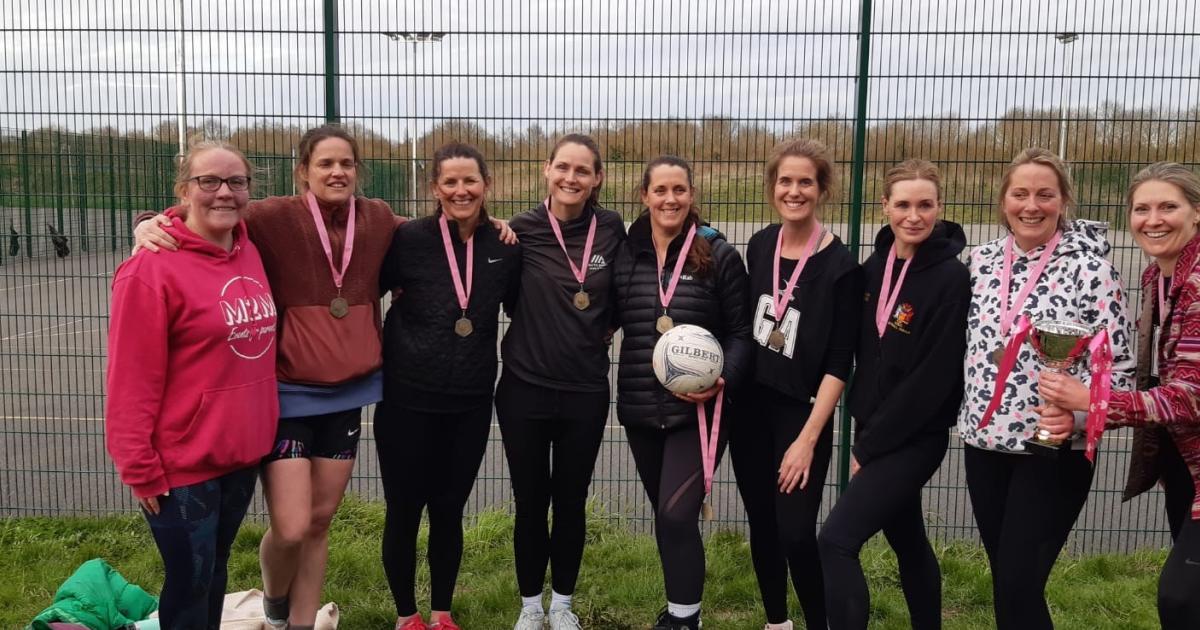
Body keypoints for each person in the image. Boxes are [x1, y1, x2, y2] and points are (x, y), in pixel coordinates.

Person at [134, 125, 396, 629]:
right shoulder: (270, 217)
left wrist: (491, 222)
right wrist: (149, 222)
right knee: (293, 527)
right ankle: (275, 604)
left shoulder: (380, 218)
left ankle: (297, 624)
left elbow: (438, 232)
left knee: (319, 523)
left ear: (357, 171)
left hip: (347, 395)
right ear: (303, 171)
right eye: (325, 164)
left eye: (346, 164)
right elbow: (207, 212)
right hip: (286, 396)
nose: (337, 172)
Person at [956, 147, 1134, 630]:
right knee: (1009, 583)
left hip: (1054, 450)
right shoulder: (981, 262)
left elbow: (1121, 371)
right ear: (1003, 200)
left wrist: (1076, 416)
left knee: (1017, 581)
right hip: (984, 444)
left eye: (1044, 195)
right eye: (1020, 194)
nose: (1031, 205)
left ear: (1063, 201)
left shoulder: (1092, 269)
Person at [106, 140, 278, 628]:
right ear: (184, 190)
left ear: (249, 190)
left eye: (236, 182)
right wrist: (139, 467)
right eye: (208, 181)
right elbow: (129, 380)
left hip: (240, 455)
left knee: (214, 573)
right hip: (180, 466)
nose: (223, 192)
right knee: (189, 583)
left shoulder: (250, 250)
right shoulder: (149, 270)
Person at [1039, 162, 1200, 629]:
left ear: (1195, 213)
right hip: (1182, 459)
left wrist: (1091, 402)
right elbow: (1155, 384)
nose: (1154, 219)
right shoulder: (1157, 277)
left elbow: (1190, 395)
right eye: (1142, 208)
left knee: (1180, 599)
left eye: (1168, 206)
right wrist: (1089, 416)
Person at [817, 160, 969, 630]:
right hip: (874, 427)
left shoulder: (951, 279)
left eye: (925, 205)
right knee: (908, 539)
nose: (914, 216)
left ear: (939, 208)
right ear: (885, 206)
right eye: (903, 204)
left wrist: (869, 446)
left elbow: (933, 380)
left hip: (914, 436)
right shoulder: (874, 268)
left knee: (836, 541)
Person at [375, 143, 520, 630]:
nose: (461, 190)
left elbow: (522, 307)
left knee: (449, 508)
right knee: (404, 510)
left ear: (486, 185)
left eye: (470, 181)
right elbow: (361, 289)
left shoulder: (504, 244)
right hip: (406, 399)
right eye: (450, 182)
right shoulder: (408, 239)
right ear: (434, 188)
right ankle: (405, 615)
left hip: (470, 402)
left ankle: (440, 613)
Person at [611, 155, 752, 630]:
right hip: (639, 406)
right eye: (660, 191)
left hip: (700, 411)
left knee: (674, 515)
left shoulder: (718, 254)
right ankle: (678, 608)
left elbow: (740, 332)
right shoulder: (627, 251)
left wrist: (722, 379)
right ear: (644, 195)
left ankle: (684, 620)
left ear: (692, 195)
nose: (670, 199)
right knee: (669, 516)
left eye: (679, 190)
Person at [497, 134, 626, 630]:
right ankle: (531, 605)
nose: (571, 178)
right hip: (524, 389)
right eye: (563, 168)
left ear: (597, 179)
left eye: (583, 170)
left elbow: (629, 283)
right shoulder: (519, 231)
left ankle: (563, 604)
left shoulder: (611, 228)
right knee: (530, 503)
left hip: (585, 392)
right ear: (546, 170)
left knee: (571, 502)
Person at [732, 138, 860, 630]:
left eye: (805, 181)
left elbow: (838, 363)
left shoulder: (840, 265)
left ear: (821, 188)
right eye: (785, 180)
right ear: (772, 187)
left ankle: (817, 622)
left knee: (796, 533)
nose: (794, 190)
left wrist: (807, 439)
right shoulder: (760, 244)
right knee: (762, 526)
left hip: (801, 414)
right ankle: (776, 622)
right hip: (751, 409)